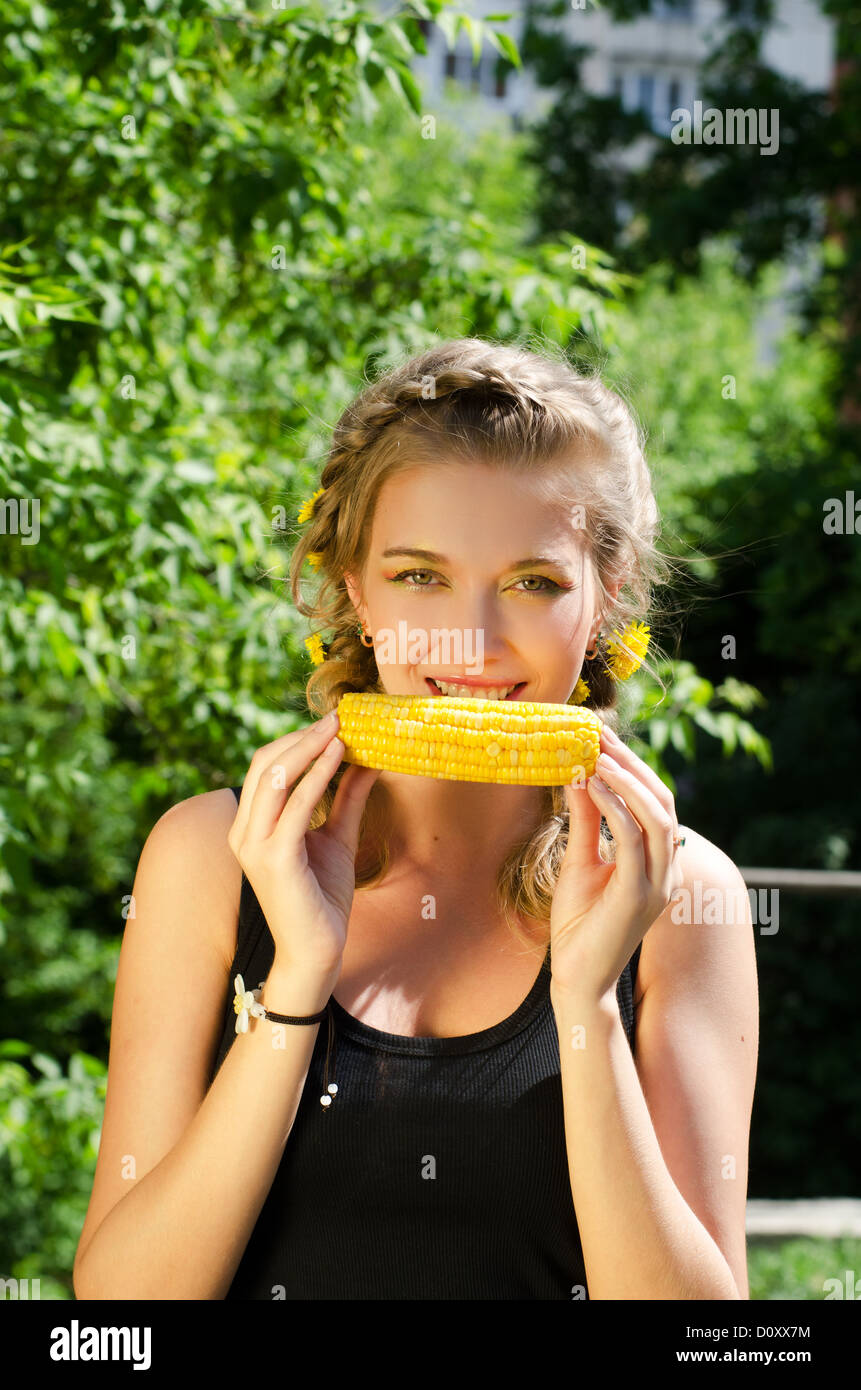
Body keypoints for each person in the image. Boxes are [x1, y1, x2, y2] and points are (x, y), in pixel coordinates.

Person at [73, 337, 758, 1300]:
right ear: (353, 588)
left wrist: (587, 1008)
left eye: (533, 581)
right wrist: (294, 985)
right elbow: (122, 1311)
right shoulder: (208, 859)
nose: (470, 642)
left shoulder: (682, 896)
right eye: (418, 577)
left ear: (605, 599)